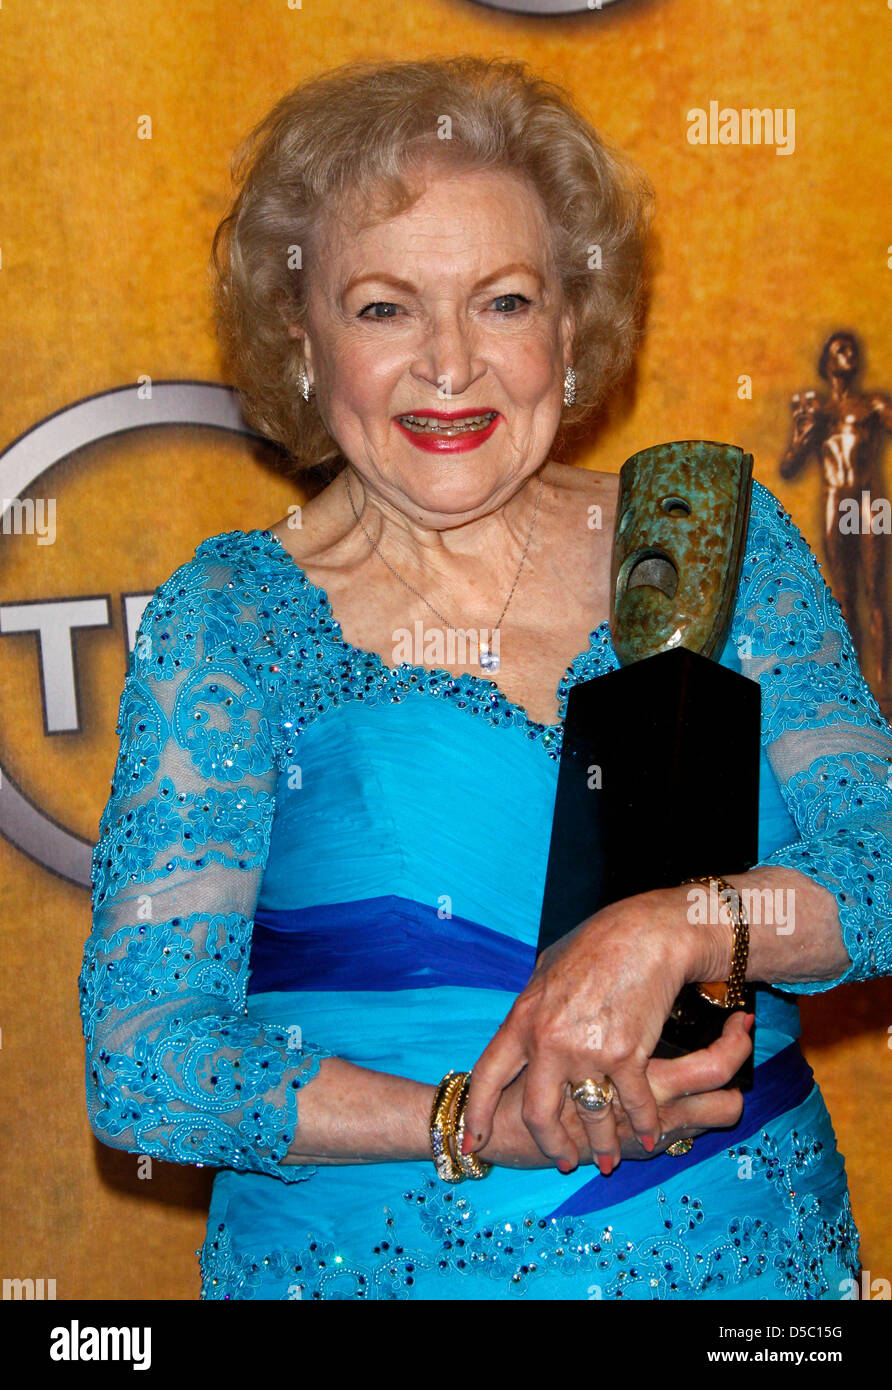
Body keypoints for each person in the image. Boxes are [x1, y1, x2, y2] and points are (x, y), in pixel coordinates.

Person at [79, 55, 892, 1300]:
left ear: (573, 329)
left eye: (503, 302)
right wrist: (461, 1121)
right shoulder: (232, 621)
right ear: (301, 342)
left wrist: (673, 928)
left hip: (751, 1277)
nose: (449, 366)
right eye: (383, 308)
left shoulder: (710, 537)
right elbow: (144, 1063)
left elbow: (879, 861)